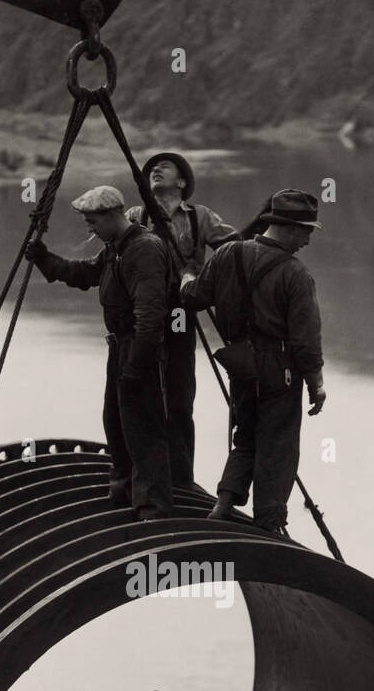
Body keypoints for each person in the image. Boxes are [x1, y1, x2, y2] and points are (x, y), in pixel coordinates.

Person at [179, 188, 327, 536]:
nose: (307, 240)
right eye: (306, 231)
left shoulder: (229, 253)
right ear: (289, 228)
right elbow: (306, 340)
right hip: (280, 372)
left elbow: (195, 297)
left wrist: (185, 276)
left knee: (245, 436)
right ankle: (269, 523)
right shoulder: (296, 275)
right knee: (278, 446)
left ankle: (224, 503)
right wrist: (315, 383)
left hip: (240, 365)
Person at [25, 185, 173, 519]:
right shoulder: (115, 248)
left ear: (112, 215)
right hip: (120, 346)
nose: (90, 228)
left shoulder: (144, 249)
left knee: (142, 426)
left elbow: (150, 316)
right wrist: (44, 259)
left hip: (138, 348)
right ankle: (123, 491)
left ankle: (153, 508)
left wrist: (137, 365)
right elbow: (83, 275)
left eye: (93, 221)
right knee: (116, 421)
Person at [126, 153, 238, 488]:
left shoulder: (200, 217)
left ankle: (180, 479)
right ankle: (144, 478)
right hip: (142, 312)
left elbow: (235, 250)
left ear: (183, 181)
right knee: (138, 395)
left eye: (165, 167)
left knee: (178, 397)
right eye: (151, 170)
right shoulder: (136, 216)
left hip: (178, 312)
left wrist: (201, 277)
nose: (155, 170)